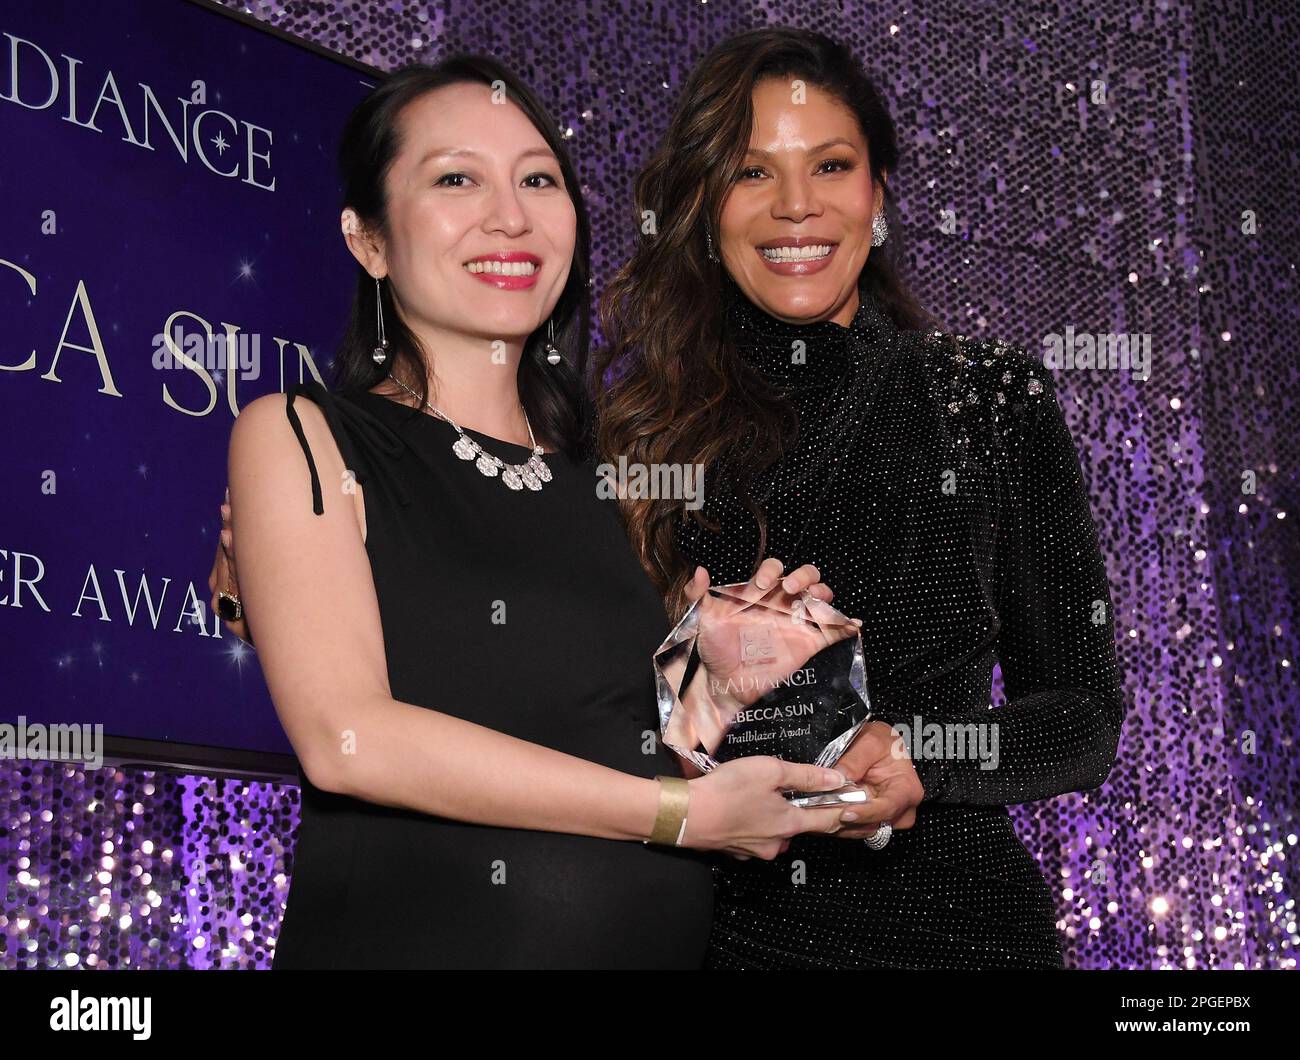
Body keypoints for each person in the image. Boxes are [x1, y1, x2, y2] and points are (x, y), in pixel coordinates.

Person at [217, 55, 855, 970]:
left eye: (538, 180)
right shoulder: (305, 433)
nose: (509, 216)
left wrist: (718, 691)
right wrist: (682, 817)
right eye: (455, 179)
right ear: (368, 240)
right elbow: (348, 742)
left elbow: (618, 745)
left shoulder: (624, 478)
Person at [593, 27, 1126, 969]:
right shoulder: (638, 433)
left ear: (877, 195)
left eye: (831, 166)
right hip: (708, 934)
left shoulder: (987, 399)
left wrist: (921, 751)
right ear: (707, 208)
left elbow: (1083, 716)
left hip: (956, 936)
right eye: (753, 174)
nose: (798, 207)